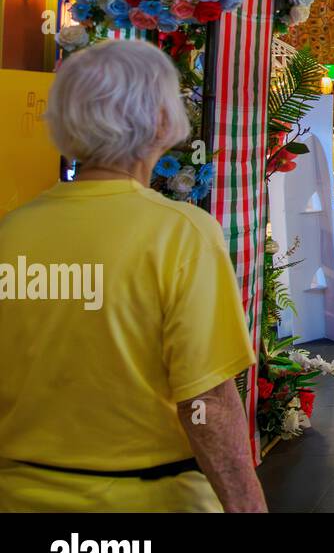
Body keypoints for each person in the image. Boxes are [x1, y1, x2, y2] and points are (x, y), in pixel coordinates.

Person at [0, 40, 264, 512]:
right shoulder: (181, 234)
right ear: (160, 120)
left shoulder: (11, 233)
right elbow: (207, 406)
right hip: (151, 500)